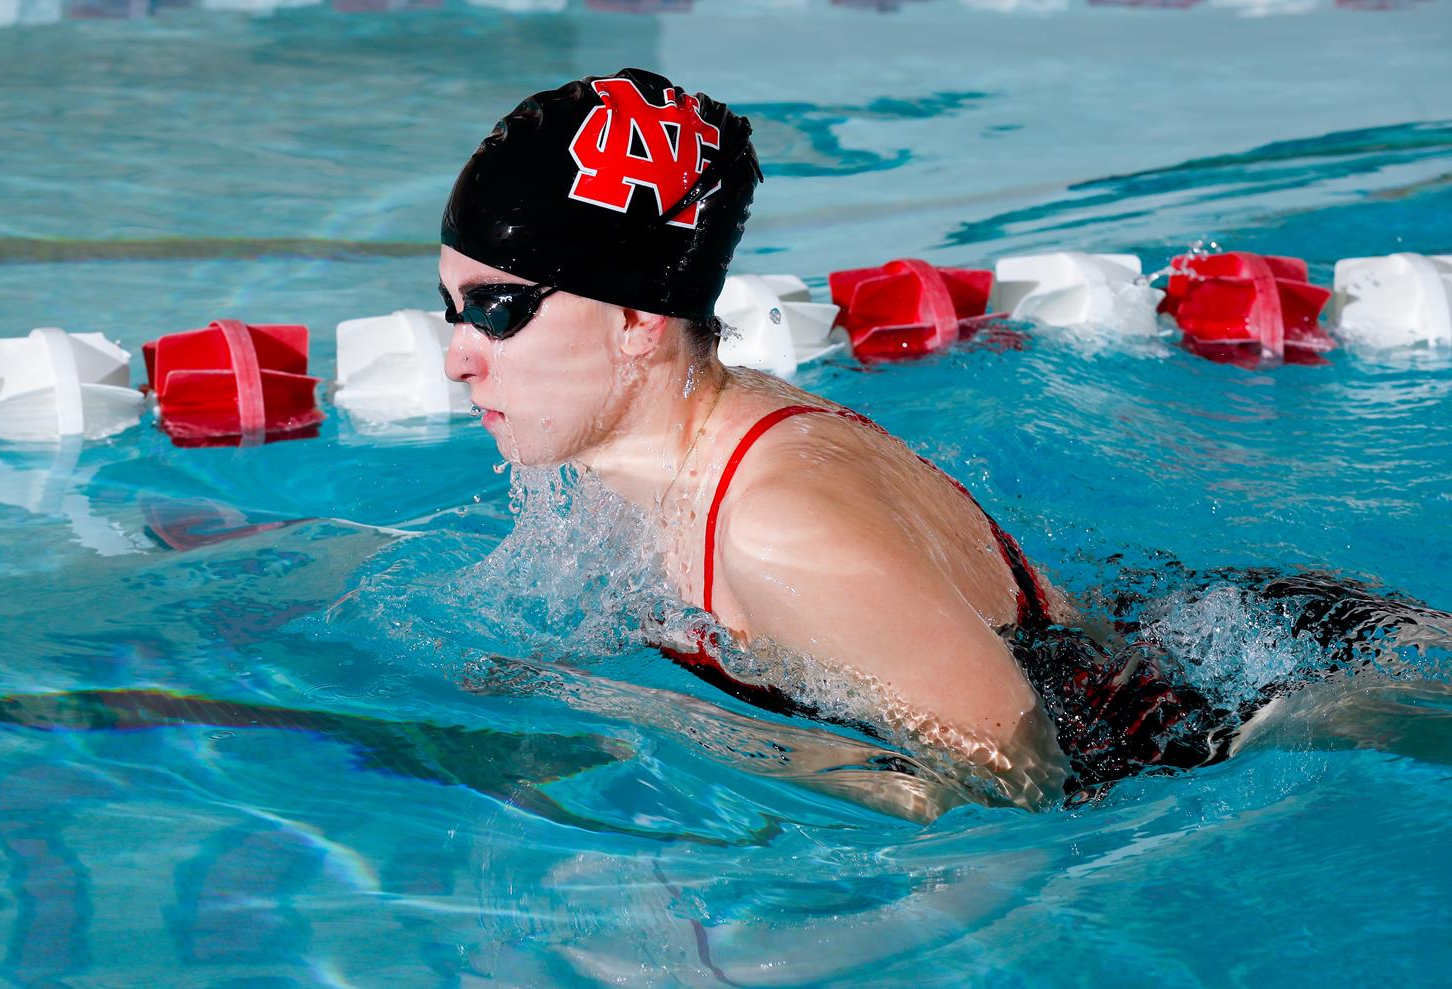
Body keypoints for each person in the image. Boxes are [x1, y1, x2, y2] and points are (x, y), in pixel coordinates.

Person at [434, 69, 1445, 814]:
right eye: (448, 308)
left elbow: (1015, 790)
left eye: (495, 310)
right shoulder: (687, 435)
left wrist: (649, 714)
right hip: (1209, 639)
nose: (456, 358)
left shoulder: (775, 525)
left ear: (633, 319)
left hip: (1262, 715)